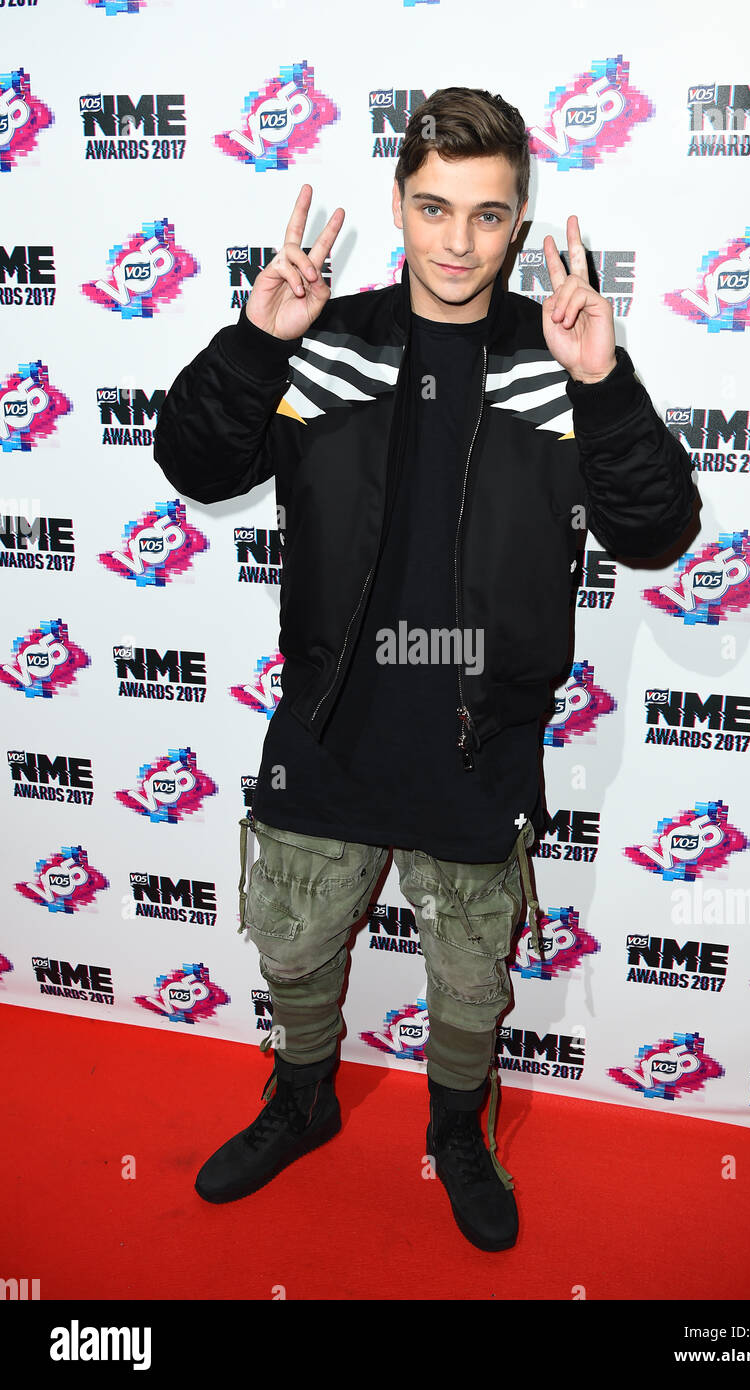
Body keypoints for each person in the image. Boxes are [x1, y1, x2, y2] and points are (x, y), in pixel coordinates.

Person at [153, 86, 697, 1253]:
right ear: (396, 205)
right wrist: (258, 340)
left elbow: (654, 532)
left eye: (487, 215)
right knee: (293, 951)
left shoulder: (558, 360)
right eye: (434, 207)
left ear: (518, 222)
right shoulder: (326, 336)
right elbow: (196, 467)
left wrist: (602, 383)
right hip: (328, 724)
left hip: (476, 743)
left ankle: (456, 1131)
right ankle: (300, 1101)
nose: (457, 241)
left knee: (466, 979)